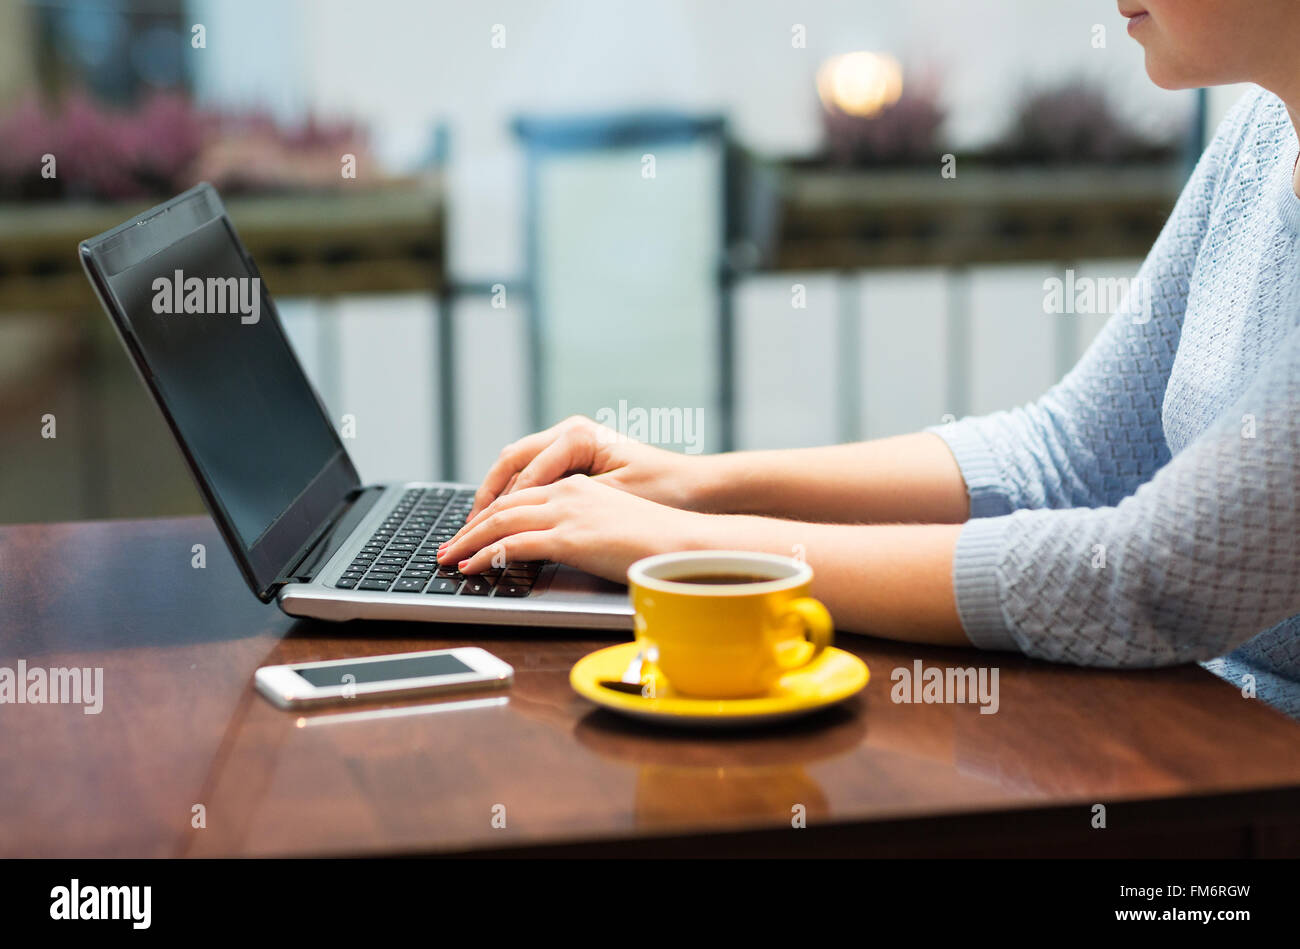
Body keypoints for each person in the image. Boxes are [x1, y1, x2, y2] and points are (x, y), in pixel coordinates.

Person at [438, 0, 1300, 718]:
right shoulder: (1262, 133)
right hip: (1216, 743)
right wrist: (694, 482)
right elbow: (1073, 455)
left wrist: (693, 547)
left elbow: (1146, 579)